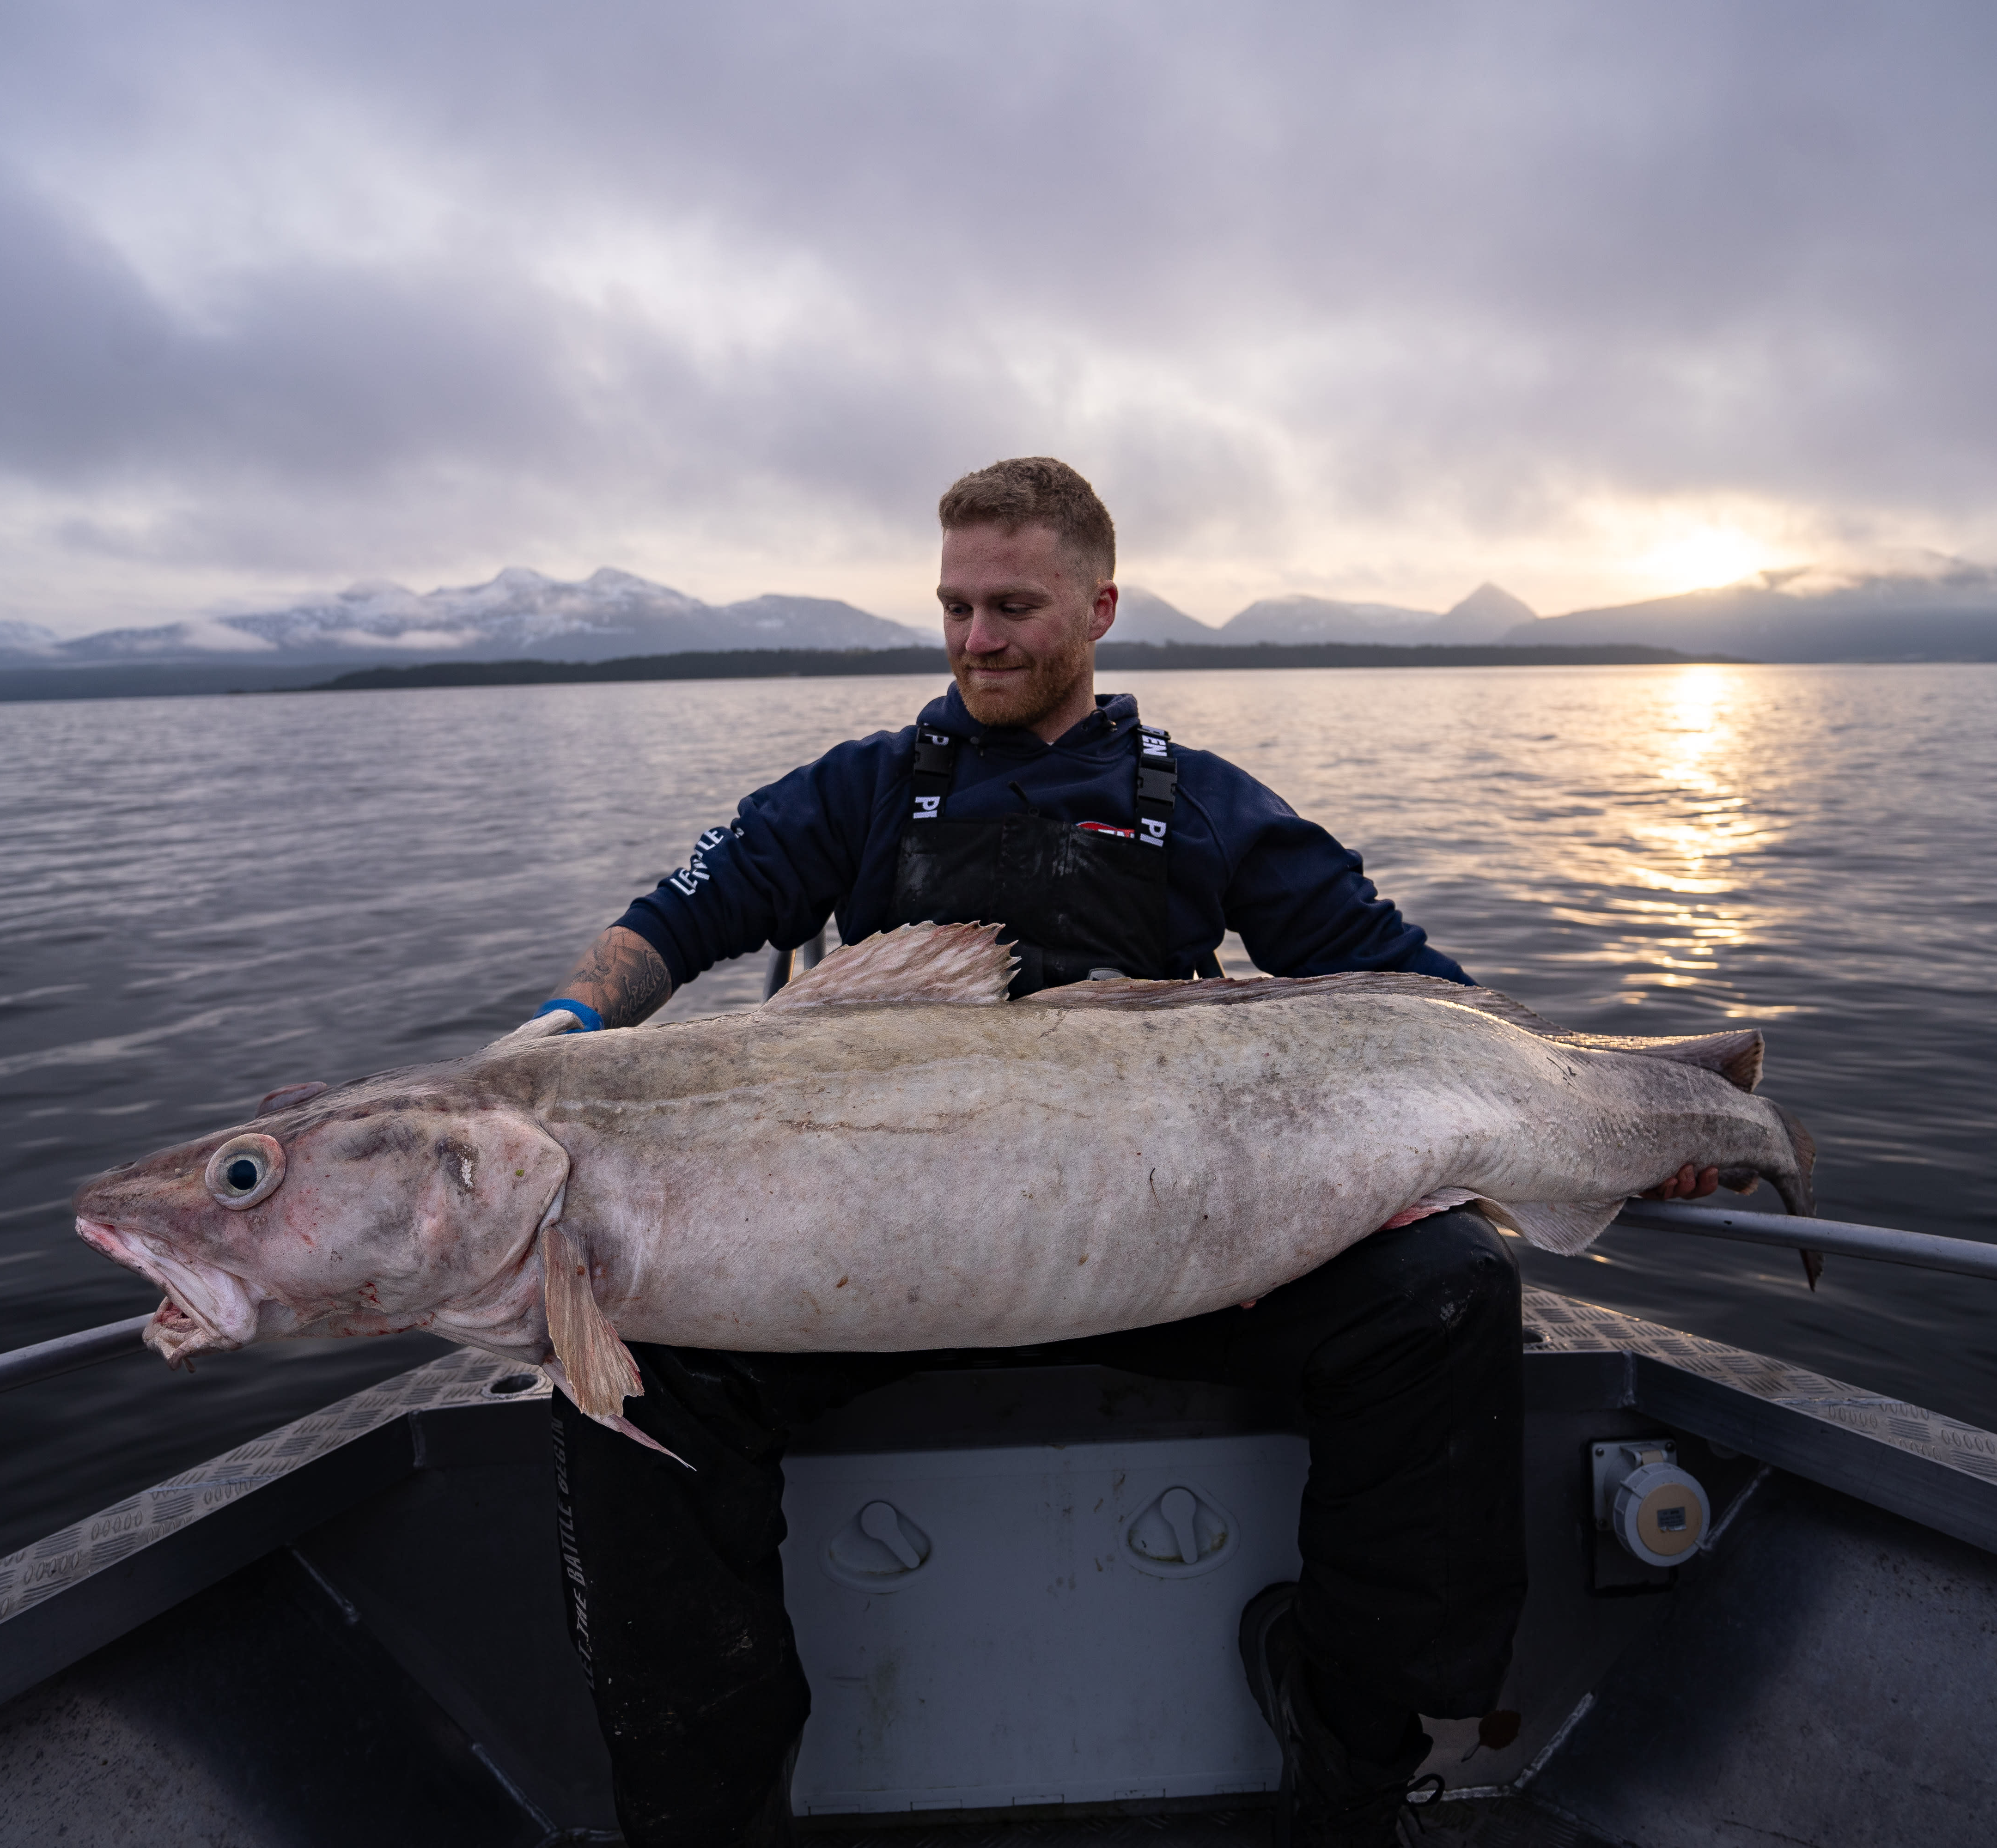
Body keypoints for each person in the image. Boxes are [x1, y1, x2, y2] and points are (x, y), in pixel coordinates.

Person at [525, 458, 1727, 1846]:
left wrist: (1611, 1116)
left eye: (1014, 607)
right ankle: (711, 1811)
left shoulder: (1197, 800)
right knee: (628, 1372)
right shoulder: (859, 792)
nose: (977, 640)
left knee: (1446, 1296)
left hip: (1176, 1261)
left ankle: (1351, 1758)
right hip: (877, 1273)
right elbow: (680, 915)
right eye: (956, 607)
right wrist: (560, 1022)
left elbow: (1405, 987)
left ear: (1100, 605)